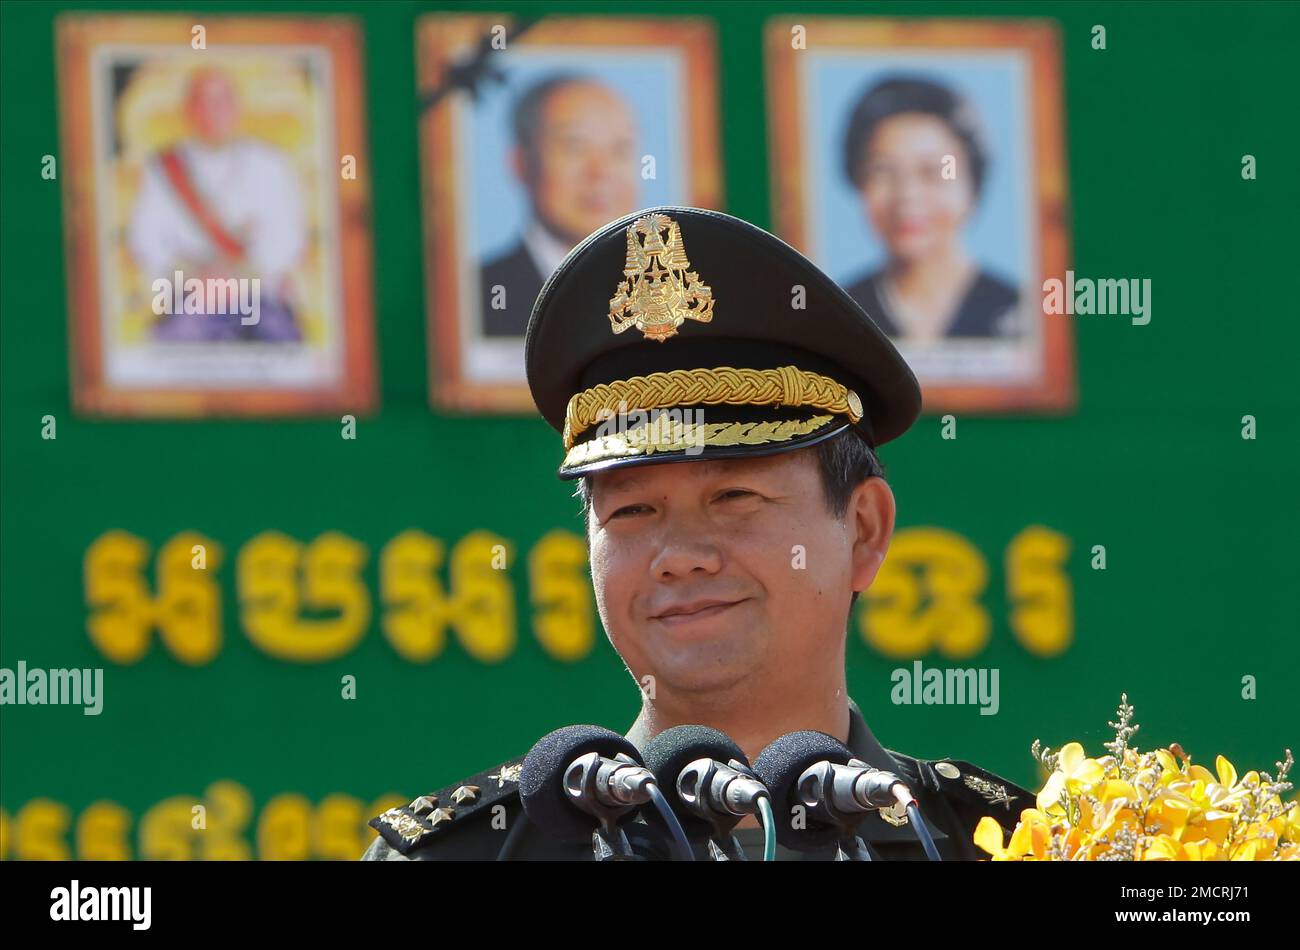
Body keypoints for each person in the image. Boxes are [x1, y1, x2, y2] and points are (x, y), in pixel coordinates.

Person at [363, 207, 1033, 861]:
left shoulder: (1008, 844)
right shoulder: (469, 851)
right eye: (631, 512)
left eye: (735, 497)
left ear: (862, 530)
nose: (678, 557)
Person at [126, 67, 304, 343]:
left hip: (256, 292)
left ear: (237, 107)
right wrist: (194, 276)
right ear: (188, 110)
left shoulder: (270, 163)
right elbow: (146, 238)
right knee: (172, 349)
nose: (212, 111)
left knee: (284, 343)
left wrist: (239, 276)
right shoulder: (162, 168)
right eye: (202, 101)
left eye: (221, 101)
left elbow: (288, 237)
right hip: (191, 295)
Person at [839, 76, 1021, 343]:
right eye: (883, 171)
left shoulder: (1019, 314)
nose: (907, 197)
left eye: (932, 172)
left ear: (973, 184)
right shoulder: (840, 312)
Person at [478, 74, 638, 338]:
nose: (600, 173)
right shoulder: (478, 296)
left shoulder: (669, 292)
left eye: (621, 150)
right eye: (574, 146)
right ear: (521, 164)